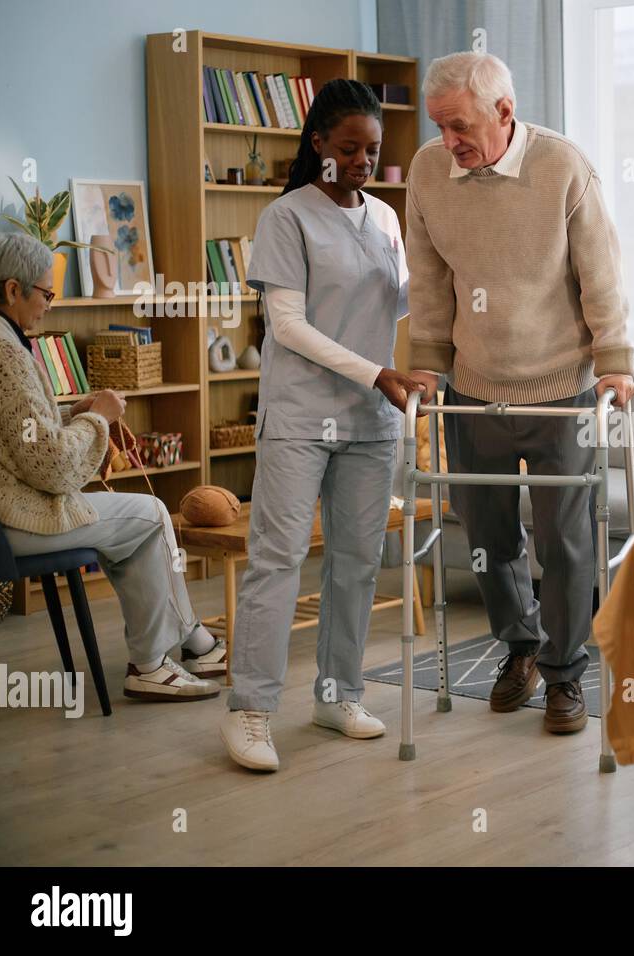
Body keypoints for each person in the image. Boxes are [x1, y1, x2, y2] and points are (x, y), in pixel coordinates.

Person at [404, 52, 634, 734]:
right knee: (489, 537)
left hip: (562, 389)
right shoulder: (426, 172)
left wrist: (615, 360)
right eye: (439, 127)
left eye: (459, 125)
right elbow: (426, 276)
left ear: (505, 111)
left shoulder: (563, 167)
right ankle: (520, 648)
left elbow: (602, 274)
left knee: (564, 543)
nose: (448, 142)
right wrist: (426, 362)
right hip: (473, 390)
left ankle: (565, 676)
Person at [219, 79, 421, 772]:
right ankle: (250, 710)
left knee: (359, 561)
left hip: (372, 418)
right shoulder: (287, 217)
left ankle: (337, 695)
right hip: (303, 414)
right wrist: (377, 374)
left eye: (373, 149)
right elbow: (288, 325)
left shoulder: (387, 220)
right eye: (349, 148)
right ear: (319, 145)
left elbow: (396, 310)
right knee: (278, 559)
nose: (363, 161)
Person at [0, 232, 224, 700]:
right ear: (12, 290)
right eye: (46, 293)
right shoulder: (2, 351)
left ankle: (192, 644)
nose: (50, 304)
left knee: (134, 527)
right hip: (13, 516)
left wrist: (75, 414)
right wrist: (99, 418)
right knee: (151, 515)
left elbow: (15, 436)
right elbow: (50, 465)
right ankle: (159, 661)